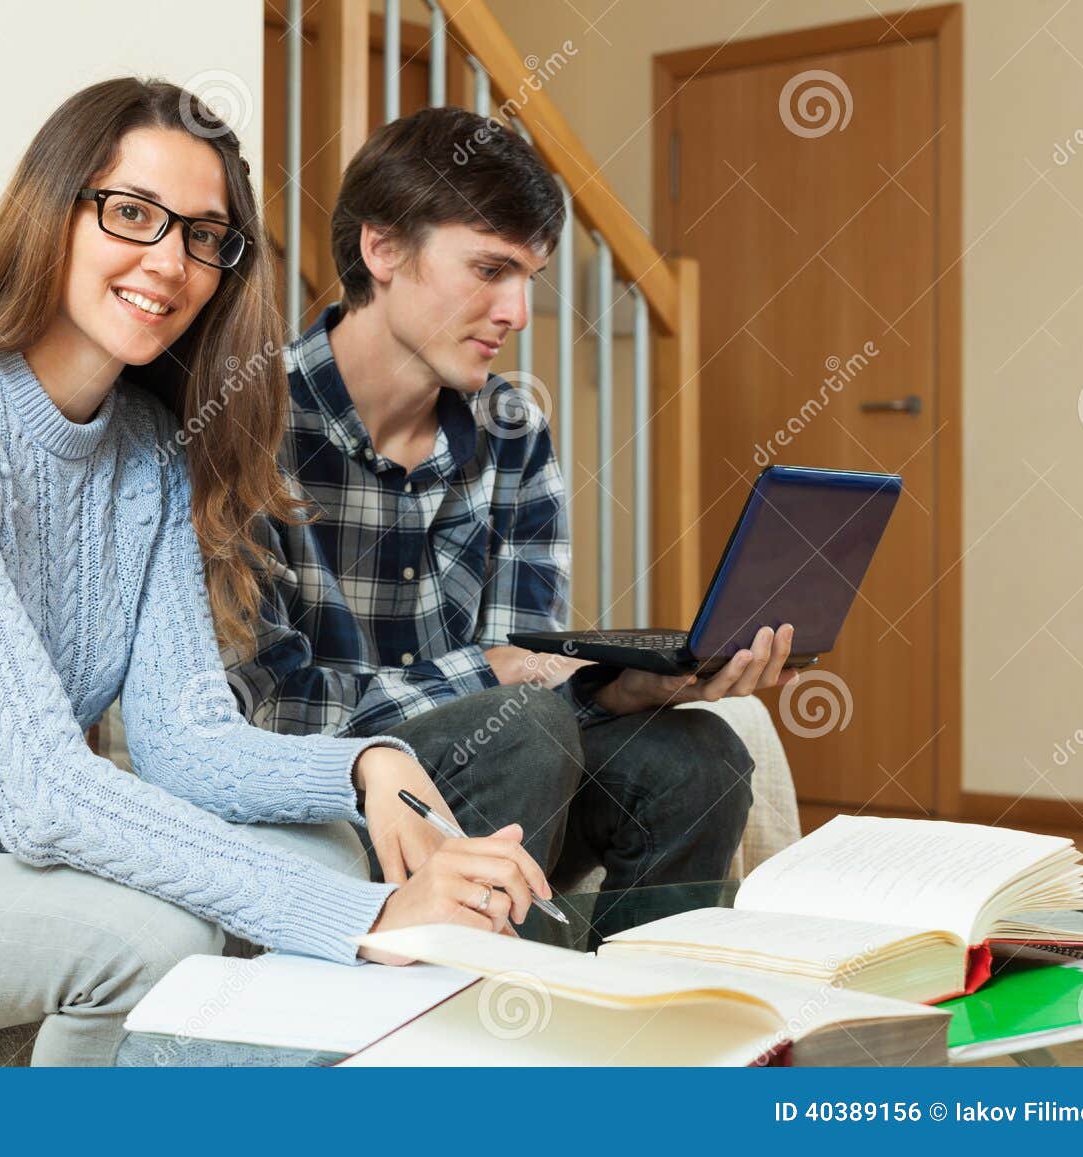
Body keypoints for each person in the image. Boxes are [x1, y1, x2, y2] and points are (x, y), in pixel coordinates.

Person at [0, 79, 551, 1067]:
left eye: (204, 236)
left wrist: (364, 763)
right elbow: (39, 788)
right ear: (53, 211)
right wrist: (364, 916)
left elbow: (185, 741)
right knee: (149, 937)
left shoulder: (151, 451)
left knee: (319, 841)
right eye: (131, 214)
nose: (169, 262)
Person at [231, 108, 797, 934]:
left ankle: (654, 1028)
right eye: (491, 269)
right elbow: (269, 713)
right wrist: (492, 674)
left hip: (503, 767)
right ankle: (501, 1015)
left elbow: (527, 670)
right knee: (528, 728)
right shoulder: (247, 424)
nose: (518, 311)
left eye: (530, 276)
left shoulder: (511, 428)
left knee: (699, 756)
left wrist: (626, 686)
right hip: (336, 792)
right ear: (381, 249)